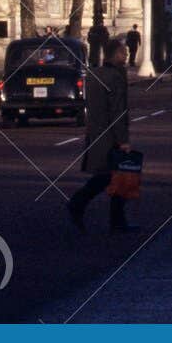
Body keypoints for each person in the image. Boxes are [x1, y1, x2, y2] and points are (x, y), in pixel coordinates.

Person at [67, 40, 135, 234]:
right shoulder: (115, 77)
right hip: (111, 136)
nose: (126, 56)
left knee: (113, 177)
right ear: (116, 54)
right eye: (124, 53)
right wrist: (123, 140)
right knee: (111, 177)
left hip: (97, 132)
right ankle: (79, 204)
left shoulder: (95, 74)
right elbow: (117, 111)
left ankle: (116, 219)